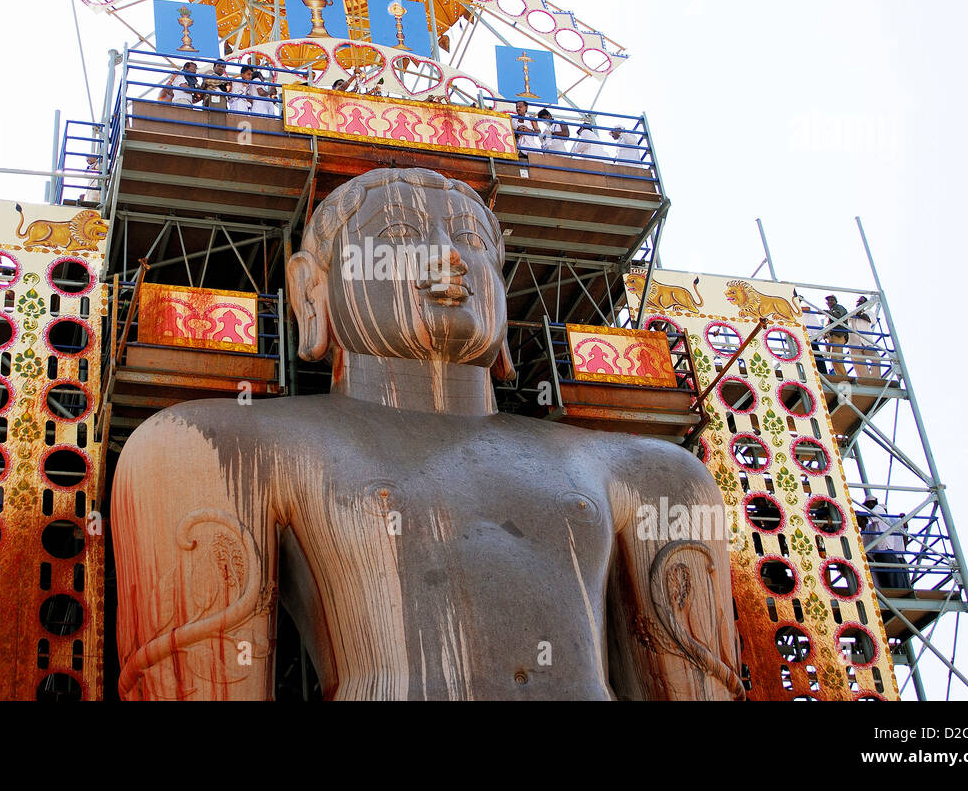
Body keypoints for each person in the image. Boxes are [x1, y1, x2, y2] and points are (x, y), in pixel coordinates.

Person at [113, 167, 744, 702]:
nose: (450, 256)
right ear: (312, 287)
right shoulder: (216, 447)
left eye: (472, 239)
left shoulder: (651, 473)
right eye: (398, 236)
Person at [862, 496, 910, 592]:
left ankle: (901, 593)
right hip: (886, 551)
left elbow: (905, 529)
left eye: (869, 504)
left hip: (887, 549)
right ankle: (897, 592)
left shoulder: (878, 510)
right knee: (890, 577)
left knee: (895, 577)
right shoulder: (873, 524)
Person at [850, 296, 881, 379]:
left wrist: (860, 314)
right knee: (858, 363)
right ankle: (864, 380)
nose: (859, 303)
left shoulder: (868, 312)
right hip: (855, 343)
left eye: (862, 302)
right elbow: (846, 319)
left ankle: (876, 378)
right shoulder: (851, 312)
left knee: (876, 358)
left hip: (867, 342)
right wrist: (858, 313)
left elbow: (871, 320)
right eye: (858, 301)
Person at [823, 294, 852, 377]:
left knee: (836, 357)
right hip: (832, 336)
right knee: (833, 357)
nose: (830, 302)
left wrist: (827, 312)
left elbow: (838, 315)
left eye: (832, 300)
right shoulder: (831, 311)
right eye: (828, 300)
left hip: (838, 335)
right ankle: (840, 375)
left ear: (836, 301)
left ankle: (843, 376)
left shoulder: (839, 308)